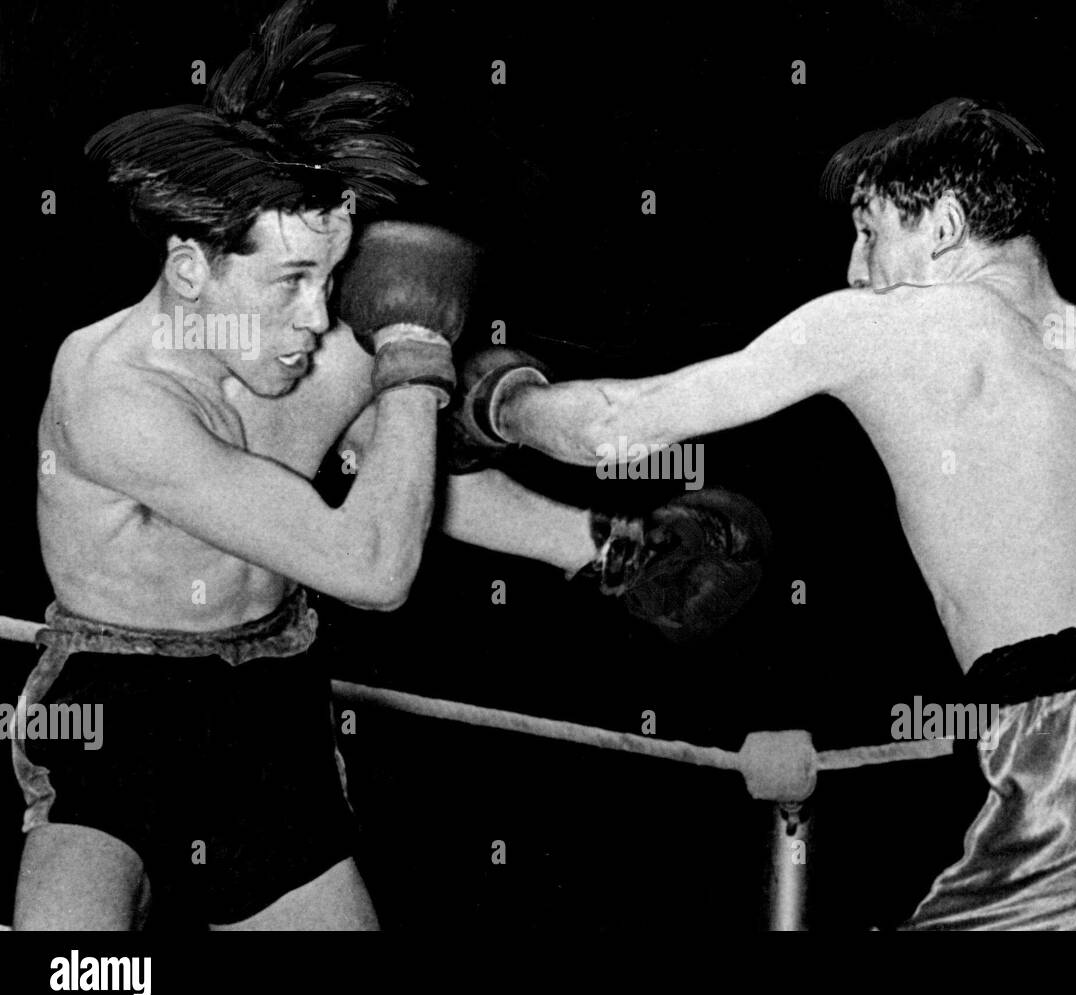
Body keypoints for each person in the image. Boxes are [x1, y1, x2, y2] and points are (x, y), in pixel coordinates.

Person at [14, 1, 770, 932]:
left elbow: (403, 484)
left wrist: (599, 542)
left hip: (268, 702)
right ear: (190, 269)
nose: (316, 314)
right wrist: (416, 358)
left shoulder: (303, 345)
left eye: (330, 279)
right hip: (118, 708)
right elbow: (371, 568)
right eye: (290, 279)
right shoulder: (114, 395)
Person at [461, 97, 1076, 929]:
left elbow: (614, 426)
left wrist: (501, 400)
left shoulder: (886, 326)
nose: (856, 267)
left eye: (870, 229)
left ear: (940, 224)